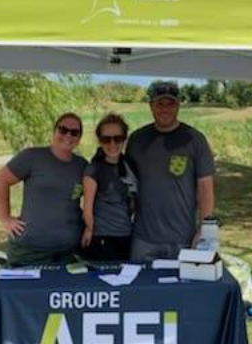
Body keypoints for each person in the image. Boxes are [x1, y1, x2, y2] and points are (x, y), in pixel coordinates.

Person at [126, 81, 215, 261]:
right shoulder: (136, 140)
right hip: (143, 238)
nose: (165, 109)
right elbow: (129, 186)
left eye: (170, 104)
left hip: (182, 239)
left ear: (178, 106)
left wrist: (204, 230)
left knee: (180, 289)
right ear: (151, 106)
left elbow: (205, 187)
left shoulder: (194, 140)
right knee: (140, 287)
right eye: (160, 104)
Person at [0, 112, 88, 266]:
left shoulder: (82, 166)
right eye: (63, 130)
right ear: (54, 131)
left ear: (79, 138)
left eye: (74, 132)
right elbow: (1, 180)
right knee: (25, 291)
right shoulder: (32, 157)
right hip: (29, 251)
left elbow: (91, 200)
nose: (68, 135)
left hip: (67, 252)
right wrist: (6, 219)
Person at [80, 113, 138, 261]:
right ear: (100, 141)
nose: (112, 144)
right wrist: (89, 230)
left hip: (126, 235)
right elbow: (87, 208)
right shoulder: (94, 169)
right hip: (102, 237)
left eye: (117, 138)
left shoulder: (128, 166)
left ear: (124, 139)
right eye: (106, 139)